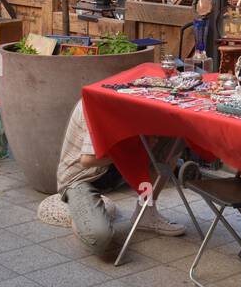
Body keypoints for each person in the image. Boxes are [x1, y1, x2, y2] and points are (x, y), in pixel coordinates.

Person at [57, 100, 185, 254]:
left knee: (175, 135)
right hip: (81, 178)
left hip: (117, 168)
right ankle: (79, 216)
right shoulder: (97, 103)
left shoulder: (138, 97)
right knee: (100, 239)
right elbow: (87, 160)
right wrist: (134, 151)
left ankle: (146, 212)